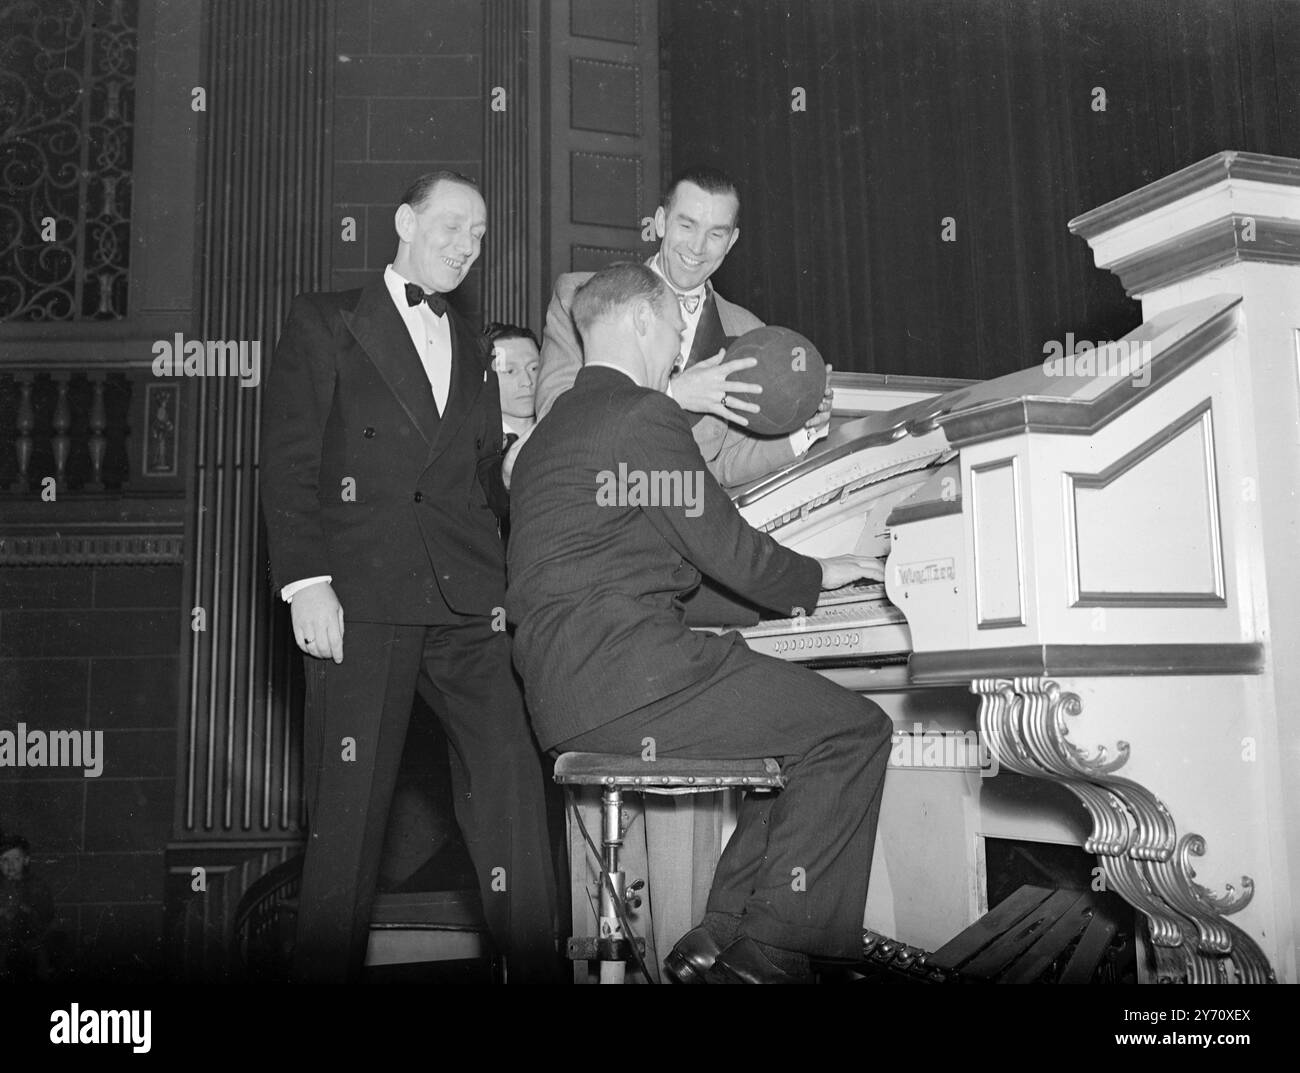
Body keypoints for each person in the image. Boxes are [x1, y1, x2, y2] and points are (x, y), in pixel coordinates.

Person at [507, 263, 894, 984]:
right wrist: (821, 574)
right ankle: (771, 952)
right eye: (678, 331)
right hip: (630, 680)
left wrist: (801, 590)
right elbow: (730, 550)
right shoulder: (643, 415)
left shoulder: (551, 438)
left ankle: (719, 941)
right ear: (646, 321)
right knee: (853, 730)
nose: (680, 350)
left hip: (570, 696)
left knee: (787, 737)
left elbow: (680, 574)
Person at [260, 170, 559, 983]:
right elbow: (289, 463)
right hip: (361, 600)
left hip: (469, 604)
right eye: (453, 225)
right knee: (348, 821)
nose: (467, 244)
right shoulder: (325, 321)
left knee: (512, 787)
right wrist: (305, 582)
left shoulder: (474, 347)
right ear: (402, 221)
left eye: (479, 234)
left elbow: (478, 480)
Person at [534, 165, 832, 489]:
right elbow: (556, 421)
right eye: (687, 225)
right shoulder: (579, 296)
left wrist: (803, 427)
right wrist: (674, 395)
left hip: (682, 524)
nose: (697, 247)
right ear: (661, 222)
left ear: (731, 241)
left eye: (716, 233)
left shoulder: (750, 333)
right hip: (594, 514)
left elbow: (723, 467)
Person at [0, 834, 54, 982]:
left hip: (30, 950)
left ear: (26, 860)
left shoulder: (36, 887)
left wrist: (24, 908)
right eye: (5, 860)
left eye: (16, 859)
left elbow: (46, 916)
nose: (10, 865)